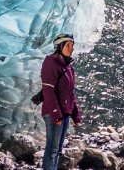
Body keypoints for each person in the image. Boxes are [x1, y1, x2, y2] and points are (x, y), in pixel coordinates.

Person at [39, 34, 81, 170]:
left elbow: (70, 94)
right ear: (59, 46)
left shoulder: (68, 67)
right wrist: (56, 113)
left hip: (64, 114)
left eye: (72, 45)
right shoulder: (51, 63)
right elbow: (48, 91)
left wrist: (75, 115)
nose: (71, 48)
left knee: (57, 149)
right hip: (54, 114)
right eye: (68, 45)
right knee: (52, 148)